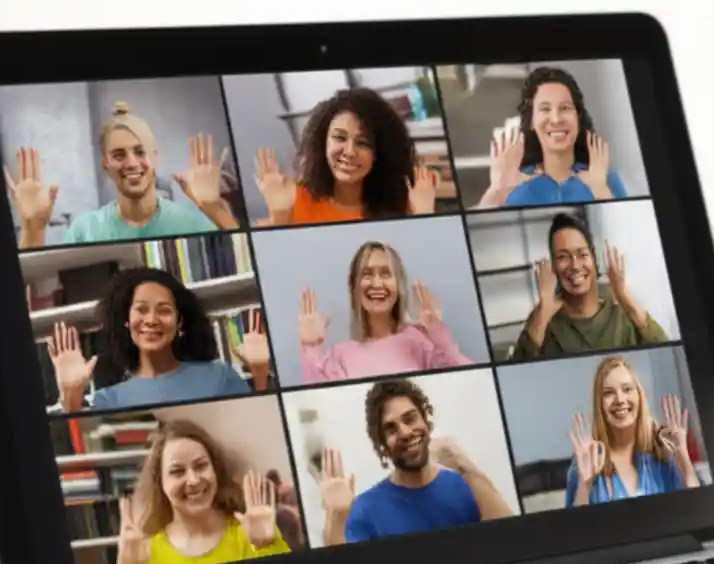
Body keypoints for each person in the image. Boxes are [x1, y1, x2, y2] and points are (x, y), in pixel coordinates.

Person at [4, 102, 239, 248]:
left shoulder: (193, 223)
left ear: (155, 157)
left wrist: (215, 208)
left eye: (140, 152)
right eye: (118, 155)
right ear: (105, 164)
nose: (132, 163)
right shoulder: (84, 230)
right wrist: (32, 228)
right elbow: (31, 284)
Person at [314, 378, 514, 545]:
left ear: (426, 421)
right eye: (391, 429)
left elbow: (511, 539)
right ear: (382, 445)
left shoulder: (465, 484)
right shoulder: (364, 510)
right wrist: (338, 516)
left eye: (410, 419)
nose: (405, 433)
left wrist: (464, 465)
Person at [47, 267, 272, 413]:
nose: (151, 320)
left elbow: (259, 428)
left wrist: (260, 372)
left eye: (164, 310)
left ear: (179, 321)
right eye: (141, 309)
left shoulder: (218, 376)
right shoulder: (108, 400)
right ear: (126, 320)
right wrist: (71, 397)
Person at [108, 420, 290, 564]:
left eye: (201, 466)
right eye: (177, 471)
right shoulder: (144, 555)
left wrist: (267, 547)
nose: (193, 480)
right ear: (160, 483)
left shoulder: (252, 533)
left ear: (215, 470)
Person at [251, 88, 438, 226]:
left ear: (378, 153)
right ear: (323, 142)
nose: (349, 151)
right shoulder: (293, 199)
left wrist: (424, 213)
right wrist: (279, 213)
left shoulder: (402, 204)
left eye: (363, 143)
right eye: (339, 138)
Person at [298, 241, 471, 383]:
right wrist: (311, 347)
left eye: (386, 274)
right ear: (353, 287)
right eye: (367, 274)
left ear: (398, 284)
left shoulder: (420, 340)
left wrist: (439, 336)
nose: (377, 284)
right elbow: (320, 400)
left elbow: (467, 381)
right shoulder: (341, 355)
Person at [510, 212, 667, 359]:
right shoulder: (543, 324)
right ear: (553, 267)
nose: (575, 265)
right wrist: (543, 313)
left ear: (594, 259)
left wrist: (623, 295)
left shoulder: (623, 315)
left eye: (582, 254)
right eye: (563, 257)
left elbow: (666, 352)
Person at [474, 66, 627, 208]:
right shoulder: (511, 183)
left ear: (578, 118)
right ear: (531, 120)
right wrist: (497, 191)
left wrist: (600, 189)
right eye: (545, 109)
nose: (556, 119)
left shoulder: (607, 179)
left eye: (565, 108)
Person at [565, 355, 703, 507]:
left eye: (627, 389)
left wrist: (683, 458)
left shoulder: (665, 452)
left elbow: (701, 509)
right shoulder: (585, 463)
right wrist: (584, 486)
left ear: (639, 396)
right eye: (608, 393)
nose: (620, 399)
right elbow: (574, 522)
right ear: (599, 405)